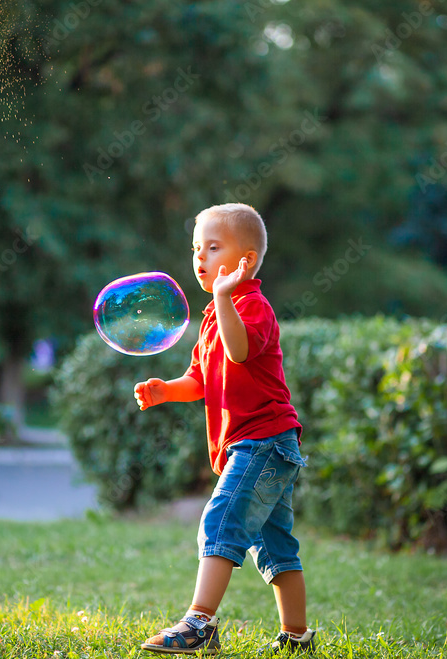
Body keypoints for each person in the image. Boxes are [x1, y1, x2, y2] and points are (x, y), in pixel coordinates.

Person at [134, 203, 316, 655]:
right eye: (196, 249)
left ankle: (201, 622)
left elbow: (238, 353)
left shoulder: (252, 307)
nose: (200, 258)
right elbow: (199, 379)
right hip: (259, 444)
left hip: (265, 441)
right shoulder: (215, 317)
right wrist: (164, 391)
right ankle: (298, 637)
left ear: (245, 262)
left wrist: (220, 297)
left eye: (213, 248)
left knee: (220, 520)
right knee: (274, 545)